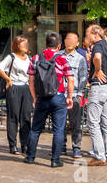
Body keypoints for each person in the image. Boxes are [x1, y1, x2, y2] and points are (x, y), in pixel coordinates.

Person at [26, 32, 73, 168]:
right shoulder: (62, 58)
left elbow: (31, 80)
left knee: (35, 129)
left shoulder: (36, 58)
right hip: (58, 97)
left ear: (45, 44)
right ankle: (55, 160)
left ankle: (30, 157)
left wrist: (35, 97)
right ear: (59, 46)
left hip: (42, 98)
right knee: (58, 130)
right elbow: (70, 79)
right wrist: (69, 97)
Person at [84, 24, 107, 166]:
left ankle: (99, 156)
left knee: (93, 122)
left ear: (95, 34)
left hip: (98, 88)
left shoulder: (98, 46)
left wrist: (97, 70)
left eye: (87, 35)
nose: (86, 38)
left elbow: (97, 57)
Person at [0, 37, 32, 155]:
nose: (26, 46)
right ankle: (13, 145)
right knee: (13, 117)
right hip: (14, 87)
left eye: (26, 44)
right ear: (17, 45)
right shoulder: (11, 57)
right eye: (23, 44)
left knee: (26, 117)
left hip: (26, 89)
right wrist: (8, 79)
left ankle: (25, 144)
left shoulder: (29, 59)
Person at [61, 31, 89, 158]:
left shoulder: (81, 59)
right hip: (60, 95)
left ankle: (76, 148)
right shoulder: (57, 56)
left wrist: (79, 95)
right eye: (68, 39)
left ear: (77, 43)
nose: (70, 42)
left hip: (75, 96)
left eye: (73, 40)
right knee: (60, 123)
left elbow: (83, 78)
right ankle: (61, 147)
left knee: (75, 123)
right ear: (64, 41)